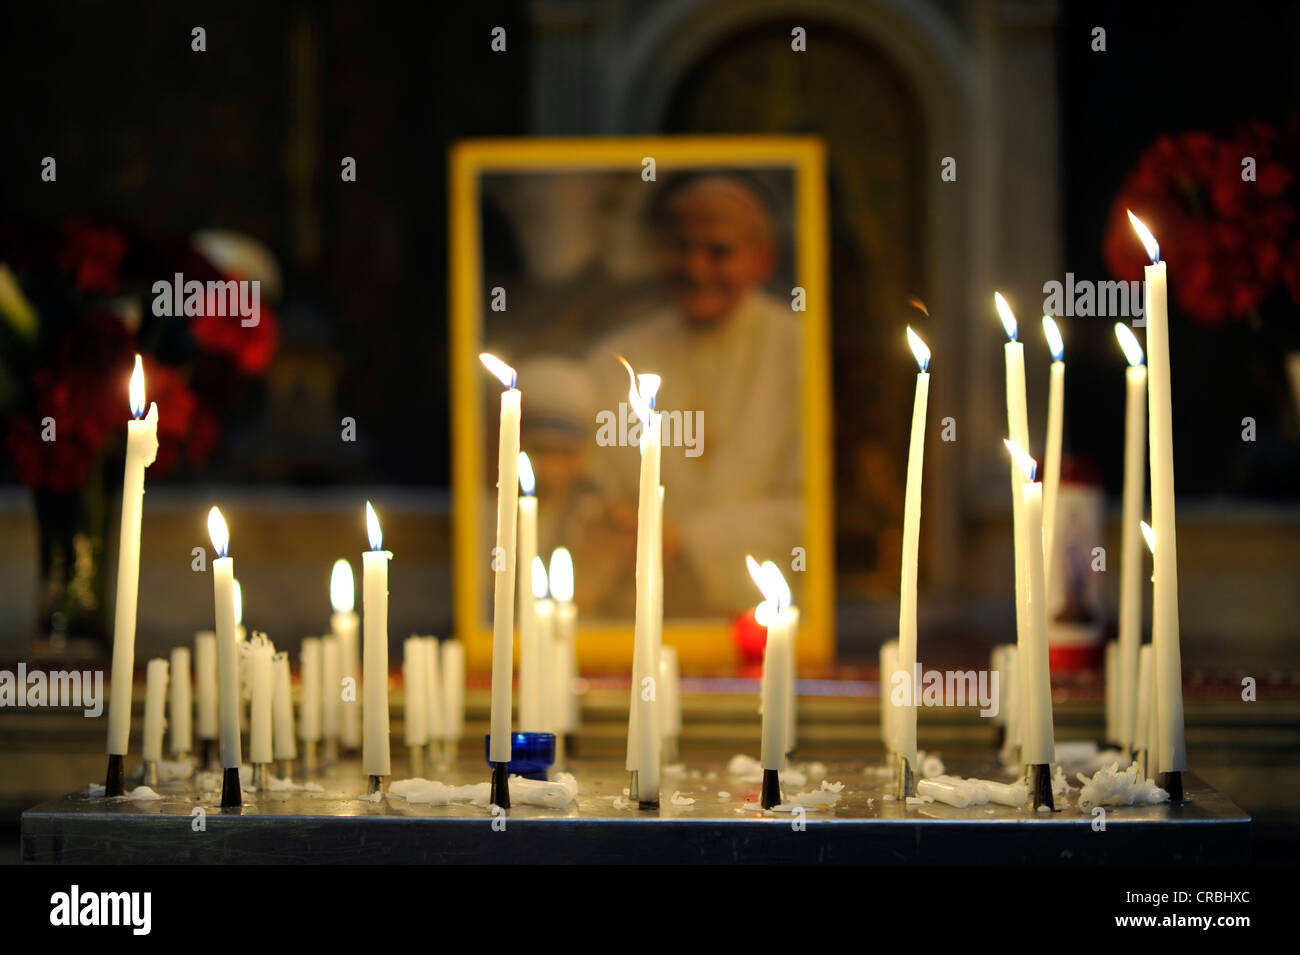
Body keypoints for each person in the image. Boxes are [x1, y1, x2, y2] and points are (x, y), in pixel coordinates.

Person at [583, 173, 804, 618]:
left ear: (762, 259)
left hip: (764, 616)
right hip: (639, 612)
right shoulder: (615, 358)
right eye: (681, 248)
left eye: (718, 251)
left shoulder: (803, 354)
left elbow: (813, 508)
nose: (696, 268)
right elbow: (588, 486)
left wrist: (688, 540)